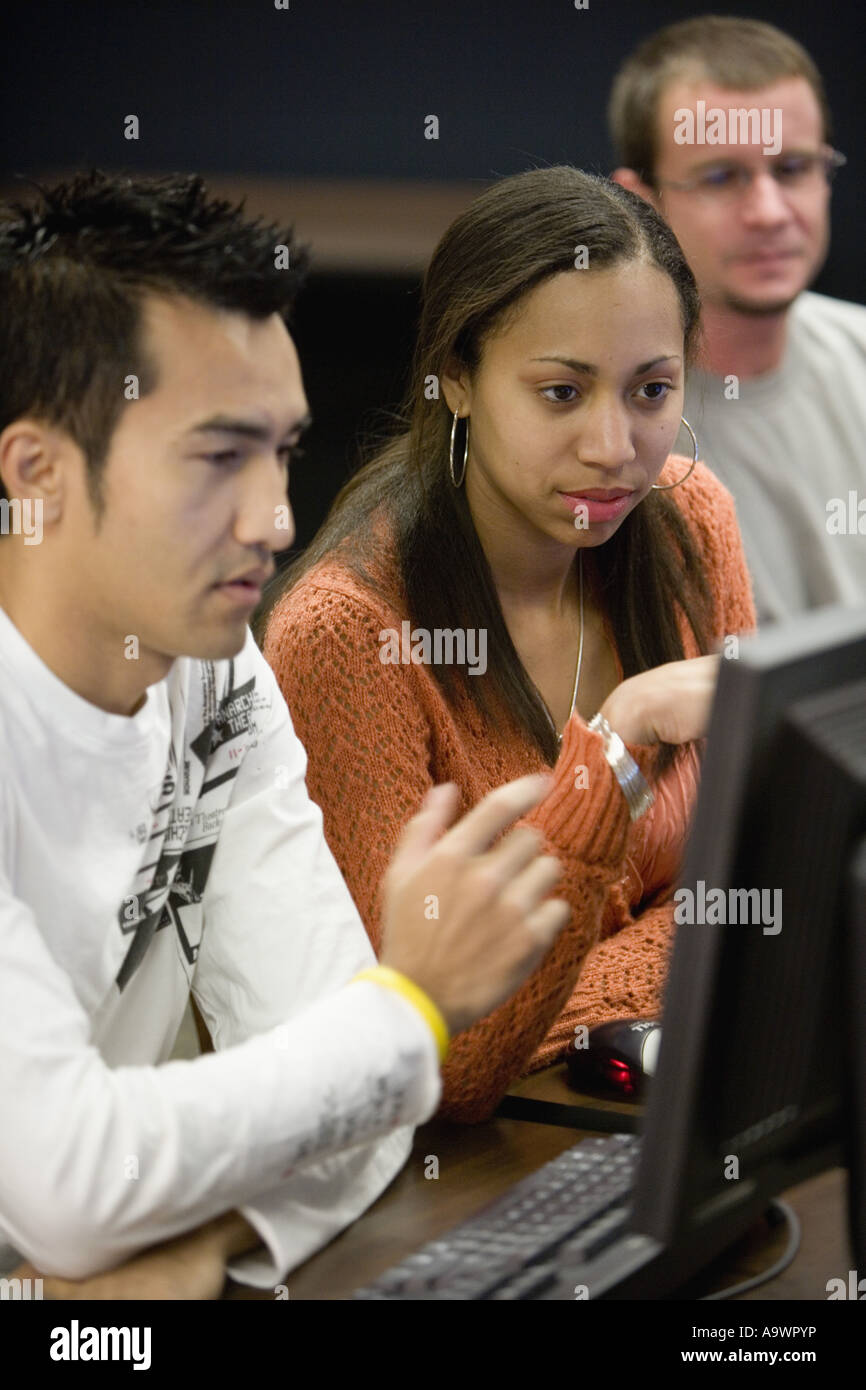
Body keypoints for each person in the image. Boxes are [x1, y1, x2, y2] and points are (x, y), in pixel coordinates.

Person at [0, 169, 571, 1298]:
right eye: (219, 456)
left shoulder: (214, 670)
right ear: (38, 473)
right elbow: (69, 1179)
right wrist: (408, 1011)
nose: (275, 518)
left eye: (281, 449)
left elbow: (351, 1099)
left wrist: (196, 1246)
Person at [260, 165, 756, 1126]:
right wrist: (613, 748)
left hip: (650, 1094)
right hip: (458, 1163)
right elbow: (425, 1058)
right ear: (456, 377)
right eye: (562, 393)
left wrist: (571, 986)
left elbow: (756, 892)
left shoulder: (691, 519)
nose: (615, 445)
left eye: (652, 389)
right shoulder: (349, 636)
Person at [609, 15, 866, 625]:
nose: (769, 212)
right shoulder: (602, 425)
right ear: (643, 201)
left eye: (793, 169)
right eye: (723, 177)